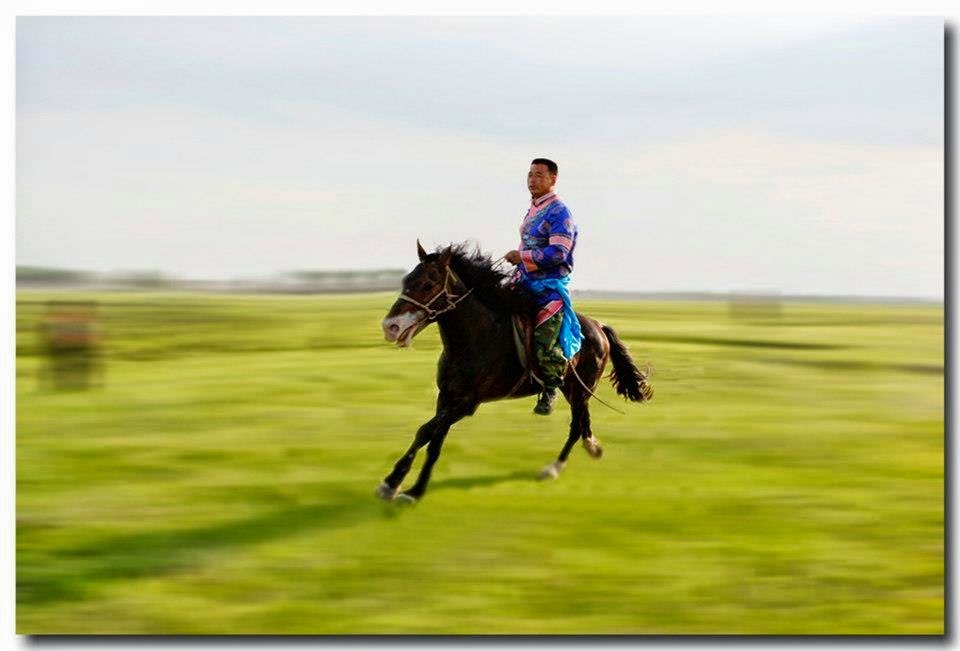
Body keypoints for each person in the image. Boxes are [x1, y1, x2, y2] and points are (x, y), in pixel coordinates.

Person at [504, 158, 582, 415]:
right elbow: (531, 243)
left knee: (543, 339)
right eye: (529, 174)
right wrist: (519, 257)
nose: (532, 179)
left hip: (548, 288)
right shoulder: (534, 208)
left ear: (553, 180)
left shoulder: (560, 212)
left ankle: (550, 386)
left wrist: (523, 257)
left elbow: (559, 252)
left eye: (539, 175)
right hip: (523, 279)